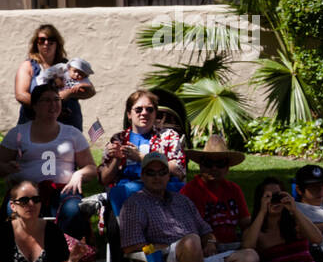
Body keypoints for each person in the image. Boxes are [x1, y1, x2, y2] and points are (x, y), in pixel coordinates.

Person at [117, 152, 260, 262]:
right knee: (192, 240)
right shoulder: (134, 203)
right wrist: (171, 248)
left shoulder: (182, 201)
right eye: (150, 173)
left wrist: (211, 242)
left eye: (162, 172)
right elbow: (130, 247)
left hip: (196, 255)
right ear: (142, 175)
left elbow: (205, 230)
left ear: (168, 175)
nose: (157, 177)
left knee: (251, 256)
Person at [0, 81, 98, 241]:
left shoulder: (72, 134)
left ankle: (65, 257)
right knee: (14, 212)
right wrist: (8, 168)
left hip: (64, 191)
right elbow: (0, 165)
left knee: (74, 210)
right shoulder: (18, 133)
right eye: (47, 100)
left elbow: (91, 168)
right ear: (35, 106)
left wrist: (80, 173)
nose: (53, 105)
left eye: (56, 100)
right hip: (27, 192)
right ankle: (24, 258)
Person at [99, 89, 186, 205]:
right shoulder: (119, 139)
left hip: (161, 191)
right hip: (126, 194)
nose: (144, 113)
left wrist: (142, 157)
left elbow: (179, 171)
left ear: (155, 114)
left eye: (149, 109)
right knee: (121, 191)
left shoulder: (168, 136)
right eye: (138, 109)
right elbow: (104, 179)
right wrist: (116, 159)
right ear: (129, 114)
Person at [15, 25, 95, 130]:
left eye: (51, 40)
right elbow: (21, 95)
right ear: (36, 43)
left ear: (57, 43)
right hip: (34, 124)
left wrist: (70, 92)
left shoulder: (69, 66)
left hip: (67, 124)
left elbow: (89, 91)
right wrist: (47, 108)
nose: (46, 43)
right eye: (42, 40)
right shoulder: (28, 66)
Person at [180, 135, 250, 252]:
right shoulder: (190, 191)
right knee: (250, 258)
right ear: (200, 165)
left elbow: (245, 223)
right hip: (203, 250)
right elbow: (189, 231)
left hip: (232, 247)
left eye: (220, 163)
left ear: (227, 168)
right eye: (208, 163)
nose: (214, 168)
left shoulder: (233, 189)